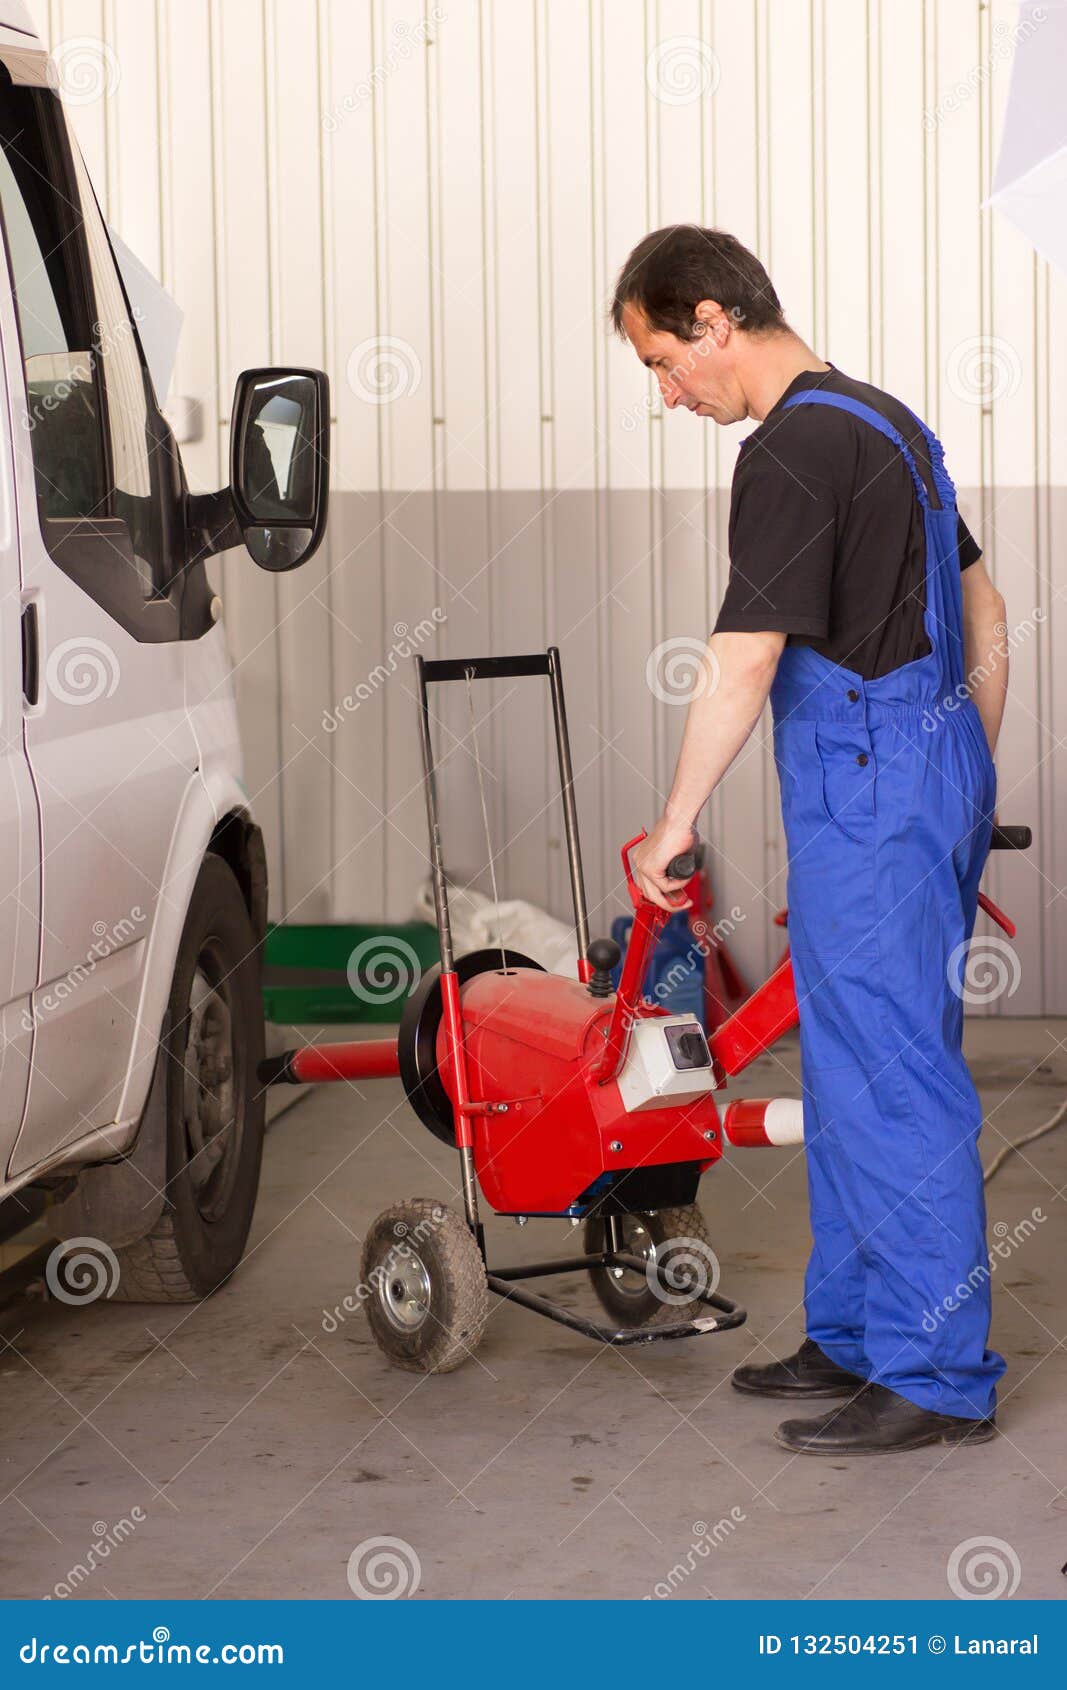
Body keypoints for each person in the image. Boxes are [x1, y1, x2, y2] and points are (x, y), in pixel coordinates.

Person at [612, 225, 1009, 1455]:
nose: (668, 395)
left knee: (888, 1073)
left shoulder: (788, 449)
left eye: (662, 362)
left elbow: (744, 655)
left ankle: (933, 1372)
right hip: (925, 770)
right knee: (847, 1061)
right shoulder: (890, 424)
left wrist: (673, 825)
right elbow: (985, 612)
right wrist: (959, 769)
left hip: (870, 789)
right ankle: (849, 1330)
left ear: (713, 321)